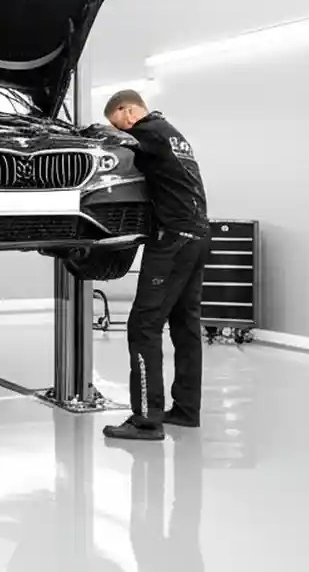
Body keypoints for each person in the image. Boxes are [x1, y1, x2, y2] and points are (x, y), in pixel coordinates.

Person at [100, 90, 210, 442]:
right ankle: (186, 410)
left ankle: (147, 418)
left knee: (144, 325)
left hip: (173, 239)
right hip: (197, 234)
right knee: (184, 324)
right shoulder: (172, 134)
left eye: (118, 123)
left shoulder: (147, 132)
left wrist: (97, 134)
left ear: (127, 111)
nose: (121, 130)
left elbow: (111, 144)